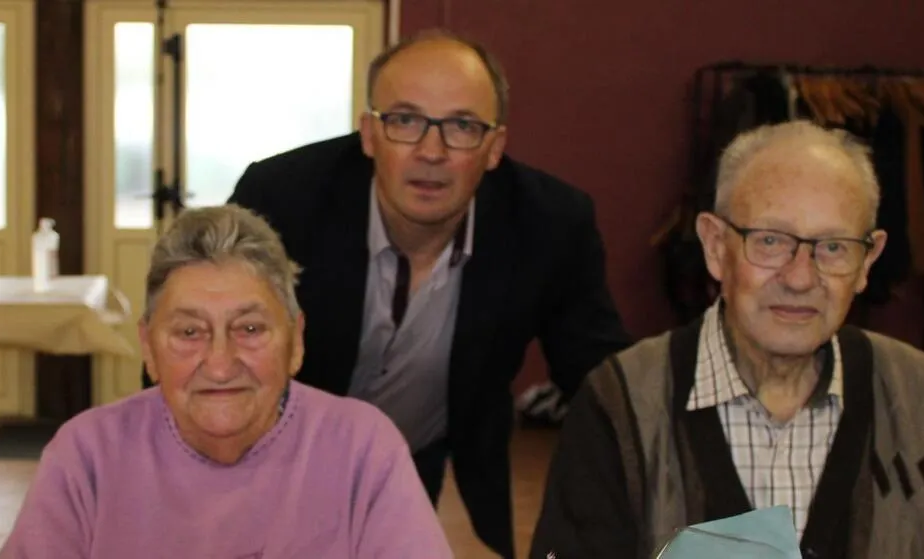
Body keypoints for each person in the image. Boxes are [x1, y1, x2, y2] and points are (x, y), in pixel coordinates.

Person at [136, 29, 630, 558]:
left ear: (494, 148)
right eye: (405, 121)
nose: (431, 151)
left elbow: (603, 383)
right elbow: (184, 335)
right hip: (268, 456)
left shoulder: (549, 223)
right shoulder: (282, 199)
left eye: (462, 126)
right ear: (369, 134)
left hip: (428, 465)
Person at [529, 121, 924, 559]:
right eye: (771, 241)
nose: (801, 278)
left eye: (833, 247)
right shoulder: (622, 403)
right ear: (716, 247)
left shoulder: (919, 395)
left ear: (868, 262)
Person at [1, 205, 453, 558]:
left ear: (295, 342)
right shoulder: (86, 456)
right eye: (189, 332)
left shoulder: (362, 448)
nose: (219, 365)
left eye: (251, 329)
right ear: (148, 347)